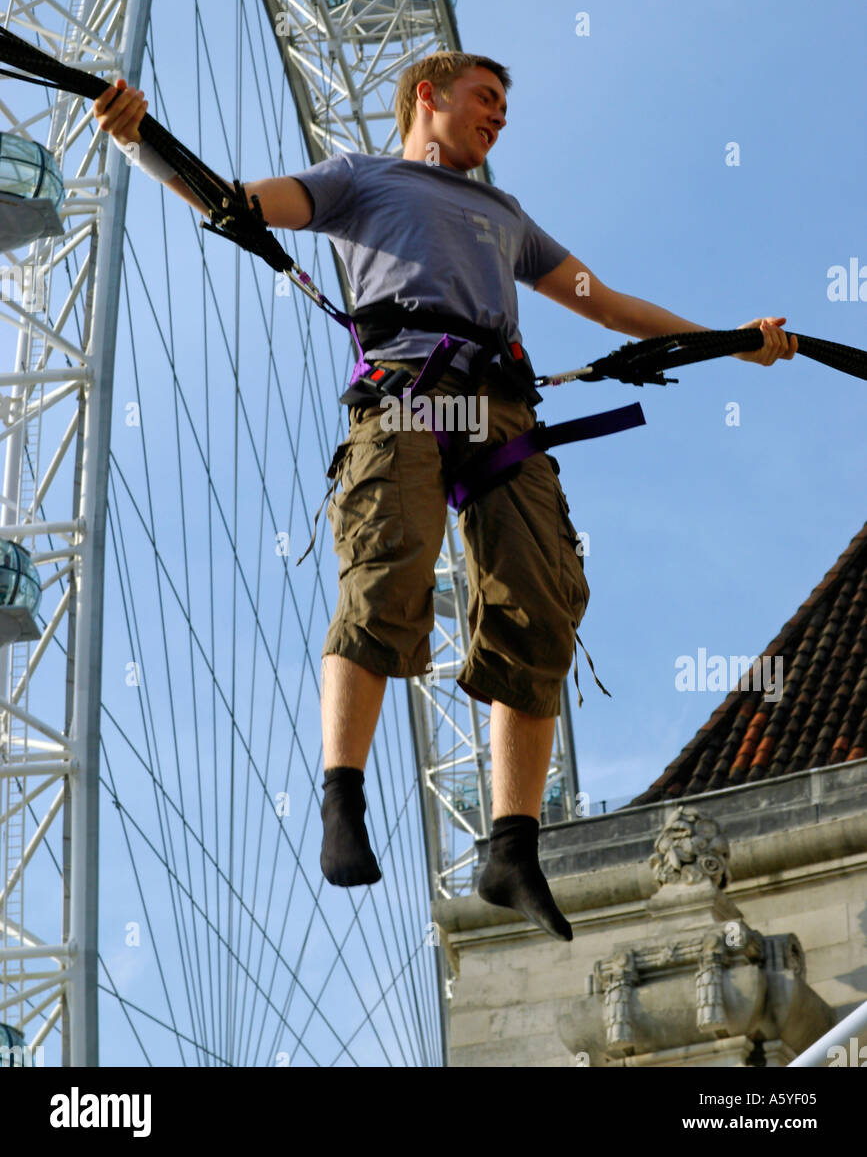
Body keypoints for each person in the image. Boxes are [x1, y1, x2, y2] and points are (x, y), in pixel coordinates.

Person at [91, 53, 797, 941]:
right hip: (407, 388)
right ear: (428, 96)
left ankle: (512, 847)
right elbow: (234, 202)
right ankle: (340, 798)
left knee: (541, 599)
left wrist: (733, 342)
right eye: (486, 99)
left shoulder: (507, 218)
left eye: (505, 105)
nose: (499, 117)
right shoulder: (358, 179)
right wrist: (138, 142)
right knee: (390, 570)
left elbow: (609, 307)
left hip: (499, 406)